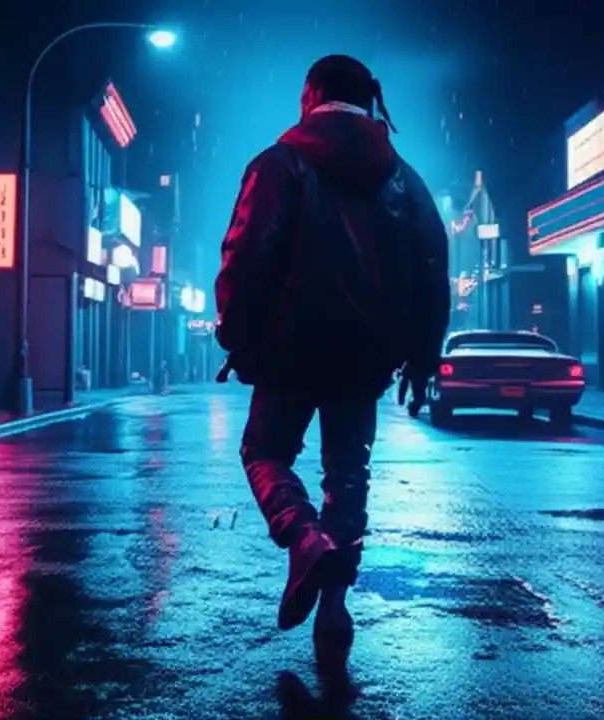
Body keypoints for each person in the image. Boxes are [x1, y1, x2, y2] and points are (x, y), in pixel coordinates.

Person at [214, 54, 451, 663]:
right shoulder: (404, 178)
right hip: (364, 357)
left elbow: (247, 253)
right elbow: (432, 273)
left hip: (287, 352)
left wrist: (237, 334)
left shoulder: (279, 164)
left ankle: (302, 536)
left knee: (264, 452)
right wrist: (423, 355)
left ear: (312, 95)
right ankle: (334, 608)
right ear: (366, 100)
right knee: (348, 475)